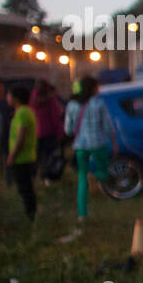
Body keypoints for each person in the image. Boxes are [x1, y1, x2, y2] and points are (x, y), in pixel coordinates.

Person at [64, 77, 119, 225]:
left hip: (80, 146)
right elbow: (107, 126)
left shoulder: (72, 105)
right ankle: (98, 182)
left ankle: (82, 214)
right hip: (98, 144)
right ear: (93, 88)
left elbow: (68, 130)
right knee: (103, 171)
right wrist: (114, 142)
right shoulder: (98, 103)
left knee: (82, 178)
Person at [5, 86, 39, 220]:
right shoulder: (24, 111)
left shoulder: (22, 113)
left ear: (16, 98)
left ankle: (30, 216)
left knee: (25, 189)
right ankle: (30, 215)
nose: (7, 98)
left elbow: (20, 137)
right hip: (27, 156)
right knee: (26, 188)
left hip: (22, 158)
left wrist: (12, 155)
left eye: (9, 95)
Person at [29, 79, 65, 186]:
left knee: (35, 157)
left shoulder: (32, 99)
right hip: (49, 133)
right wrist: (60, 133)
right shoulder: (51, 100)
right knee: (48, 157)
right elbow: (56, 118)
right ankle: (46, 178)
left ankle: (32, 177)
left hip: (35, 133)